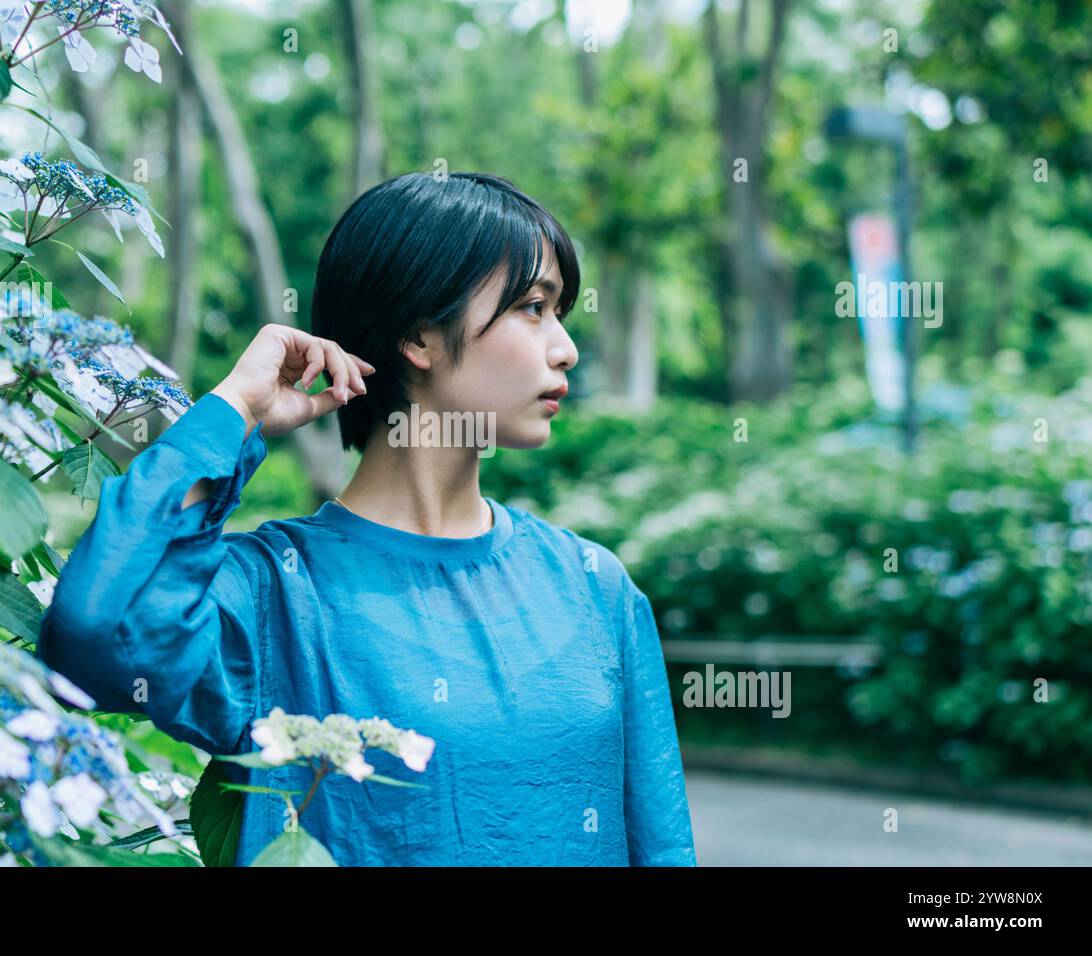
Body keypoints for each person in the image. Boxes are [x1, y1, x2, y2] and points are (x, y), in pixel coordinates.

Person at [36, 171, 697, 866]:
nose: (565, 348)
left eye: (560, 313)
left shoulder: (595, 586)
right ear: (420, 335)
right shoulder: (273, 594)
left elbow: (662, 846)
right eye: (533, 307)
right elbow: (94, 635)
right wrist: (235, 410)